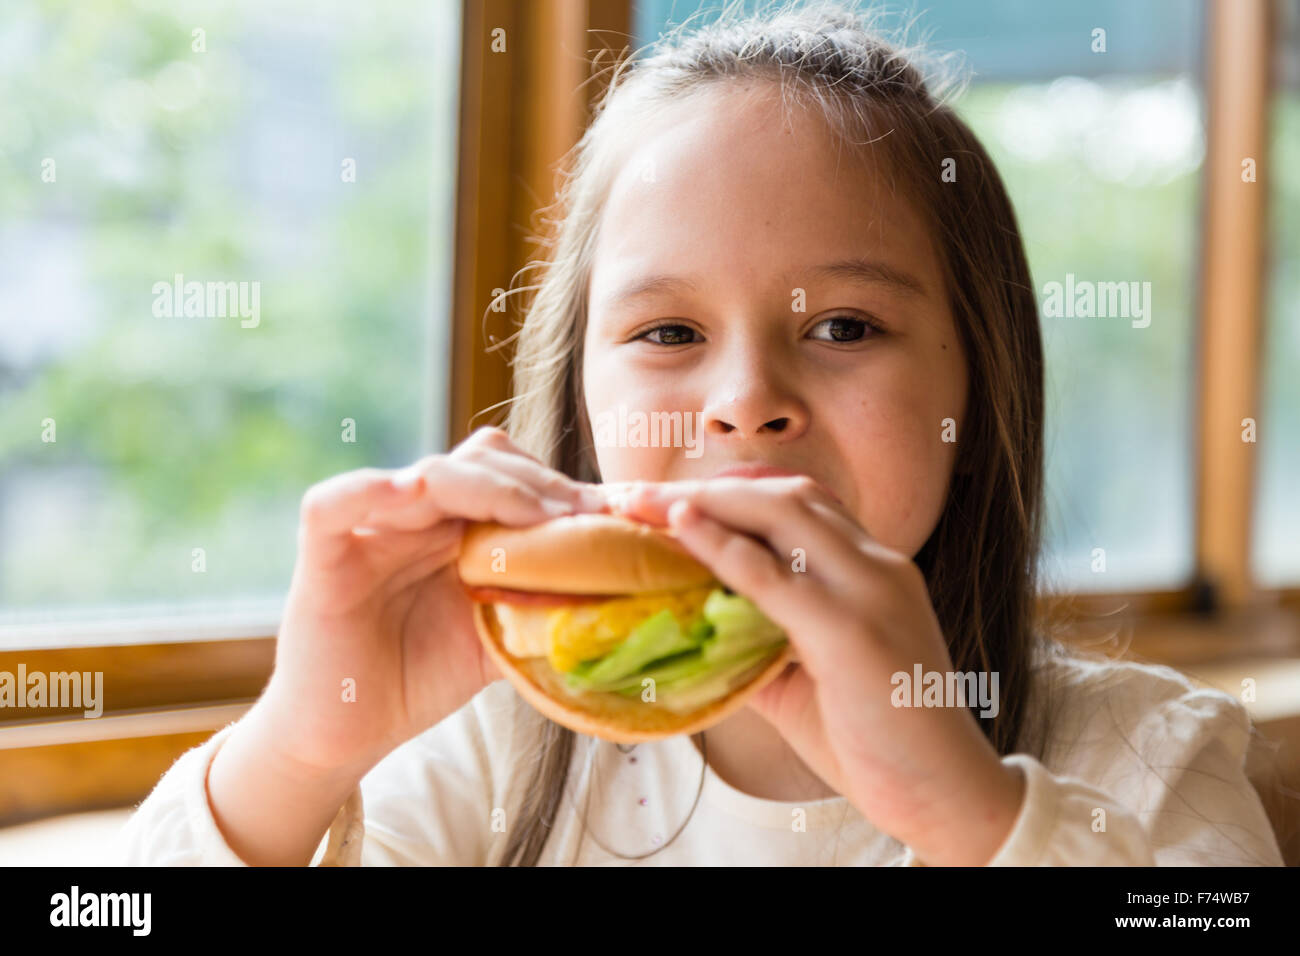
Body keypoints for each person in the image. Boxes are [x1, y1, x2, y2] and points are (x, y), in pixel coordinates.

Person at [116, 0, 1284, 867]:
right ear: (580, 403)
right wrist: (294, 750)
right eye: (668, 330)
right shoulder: (475, 757)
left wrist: (968, 814)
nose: (743, 399)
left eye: (841, 323)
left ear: (976, 401)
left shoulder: (1149, 755)